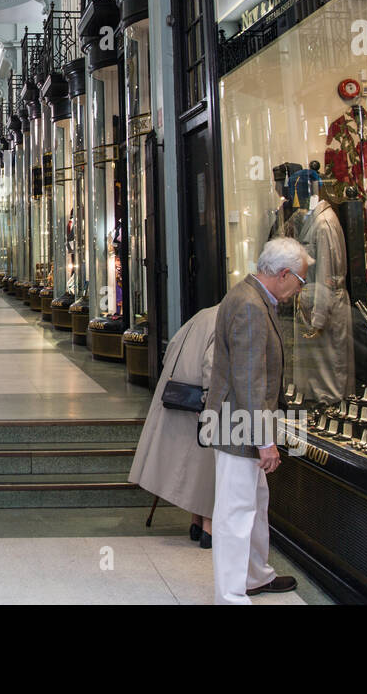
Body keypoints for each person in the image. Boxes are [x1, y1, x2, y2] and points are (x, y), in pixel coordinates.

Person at [204, 236, 308, 604]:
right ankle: (231, 595)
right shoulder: (250, 305)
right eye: (301, 280)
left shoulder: (251, 296)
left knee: (255, 502)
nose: (299, 289)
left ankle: (255, 575)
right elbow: (249, 380)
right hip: (239, 424)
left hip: (239, 420)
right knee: (236, 511)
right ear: (283, 274)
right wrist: (265, 441)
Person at [129, 305, 219, 548]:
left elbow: (171, 351)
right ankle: (208, 528)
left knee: (195, 466)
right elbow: (212, 366)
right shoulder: (224, 320)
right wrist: (213, 404)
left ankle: (195, 522)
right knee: (207, 467)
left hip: (182, 402)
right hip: (204, 408)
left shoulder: (200, 316)